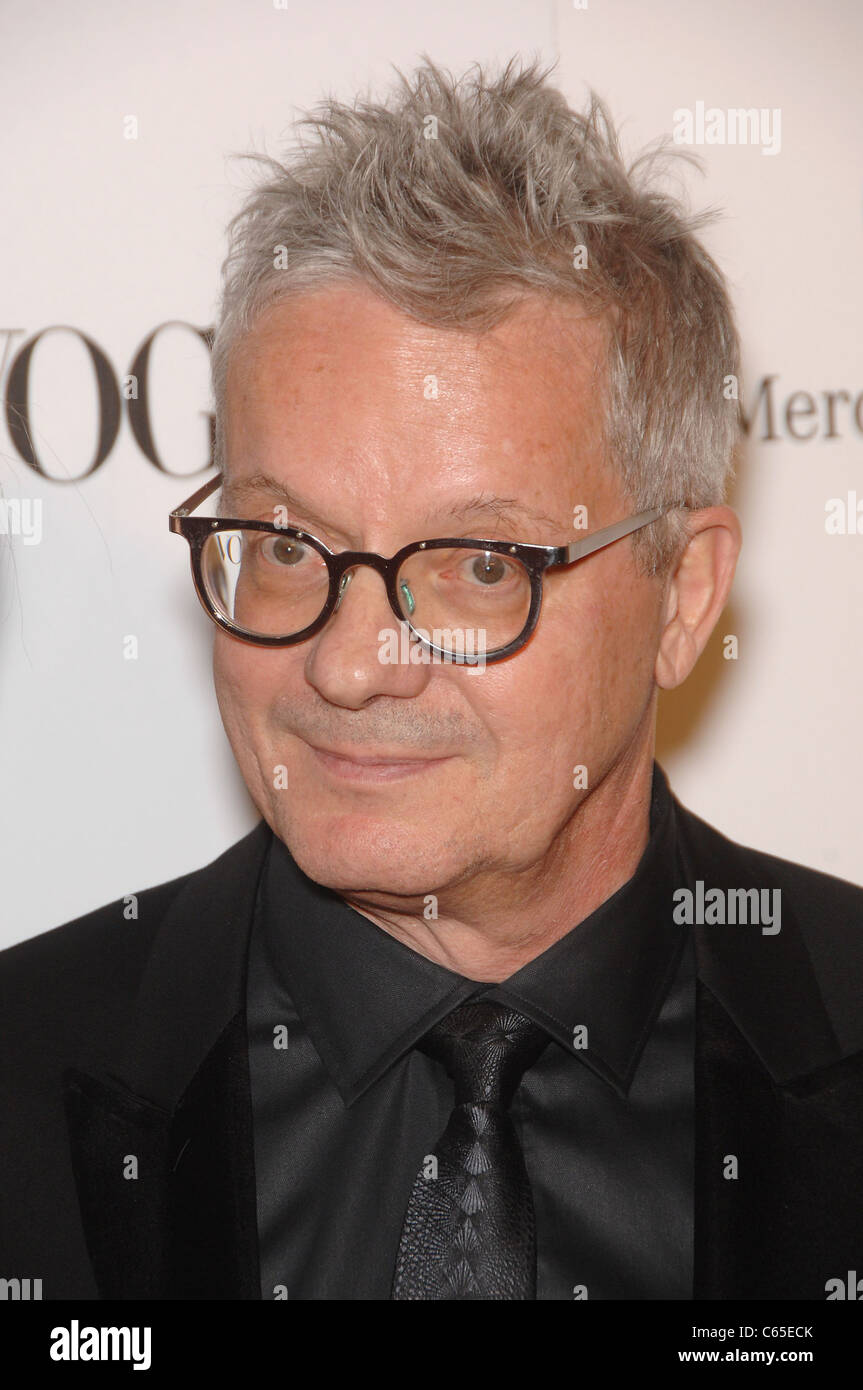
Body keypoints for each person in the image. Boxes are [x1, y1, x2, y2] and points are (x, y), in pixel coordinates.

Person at [2, 55, 861, 1302]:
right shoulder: (24, 1075)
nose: (346, 664)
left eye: (474, 565)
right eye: (289, 544)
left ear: (680, 598)